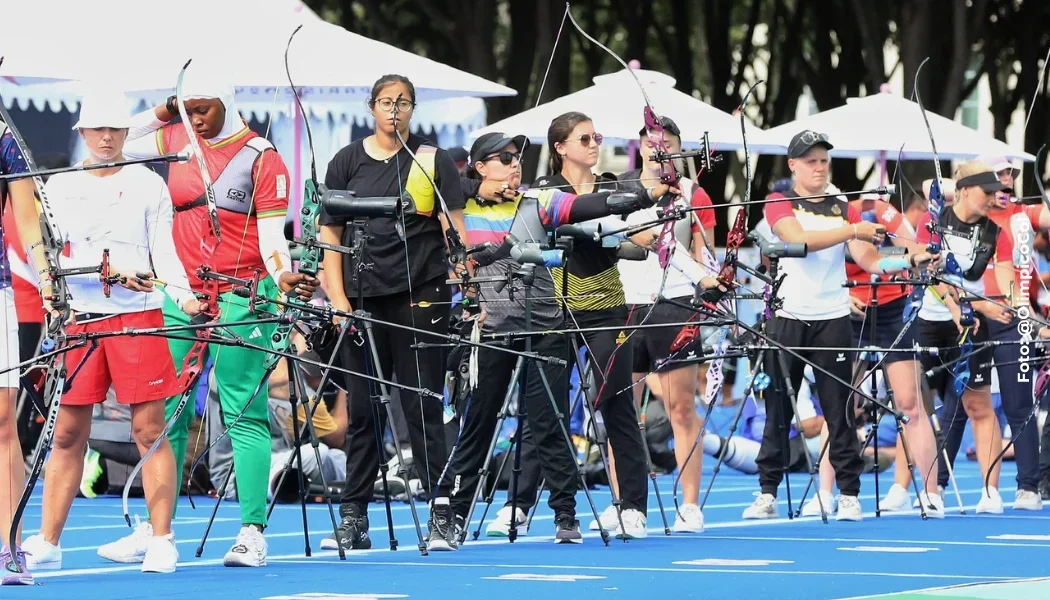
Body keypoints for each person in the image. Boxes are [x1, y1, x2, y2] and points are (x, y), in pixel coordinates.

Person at [110, 71, 318, 568]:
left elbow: (271, 236)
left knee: (241, 408)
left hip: (245, 294)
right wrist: (167, 109)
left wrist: (282, 274)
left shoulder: (262, 157)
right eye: (188, 109)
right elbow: (119, 142)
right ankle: (159, 531)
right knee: (165, 411)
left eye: (203, 108)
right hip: (181, 292)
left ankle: (252, 532)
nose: (196, 119)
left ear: (226, 101)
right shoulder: (178, 133)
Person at [437, 131, 679, 549]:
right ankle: (453, 516)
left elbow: (588, 204)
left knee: (548, 421)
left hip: (545, 326)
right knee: (479, 423)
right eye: (505, 158)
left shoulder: (537, 201)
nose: (516, 164)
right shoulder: (459, 207)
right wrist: (482, 189)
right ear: (480, 167)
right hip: (494, 329)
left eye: (518, 158)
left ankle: (565, 514)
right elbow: (434, 179)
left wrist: (642, 195)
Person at [18, 90, 202, 574]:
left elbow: (165, 251)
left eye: (115, 129)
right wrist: (106, 270)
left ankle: (162, 538)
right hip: (81, 321)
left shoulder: (147, 183)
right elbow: (55, 259)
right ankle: (48, 541)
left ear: (126, 133)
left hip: (139, 317)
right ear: (81, 133)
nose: (105, 137)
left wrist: (182, 295)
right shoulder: (58, 187)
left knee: (148, 429)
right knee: (67, 433)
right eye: (96, 129)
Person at [740, 130, 936, 522]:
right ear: (793, 165)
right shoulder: (779, 203)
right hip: (789, 316)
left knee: (840, 410)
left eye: (824, 160)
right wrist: (852, 229)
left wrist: (912, 258)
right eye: (810, 161)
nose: (819, 167)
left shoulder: (842, 205)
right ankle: (767, 492)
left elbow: (870, 258)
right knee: (780, 406)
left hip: (832, 319)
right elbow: (798, 240)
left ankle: (849, 493)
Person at [318, 74, 465, 553]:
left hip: (420, 294)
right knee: (362, 409)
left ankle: (442, 510)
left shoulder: (431, 159)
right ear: (371, 106)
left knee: (422, 402)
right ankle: (354, 516)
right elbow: (330, 238)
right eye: (386, 101)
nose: (394, 110)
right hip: (362, 300)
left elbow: (454, 231)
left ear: (414, 108)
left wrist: (466, 275)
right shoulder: (347, 160)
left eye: (404, 102)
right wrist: (339, 301)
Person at [800, 193, 944, 518]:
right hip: (846, 312)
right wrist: (845, 291)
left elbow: (912, 249)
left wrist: (906, 256)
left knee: (910, 403)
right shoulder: (822, 217)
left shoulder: (879, 210)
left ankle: (929, 494)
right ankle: (825, 494)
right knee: (839, 406)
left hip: (892, 310)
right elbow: (815, 267)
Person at [612, 117, 718, 534]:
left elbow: (704, 252)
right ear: (640, 148)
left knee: (681, 408)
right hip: (623, 303)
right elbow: (624, 238)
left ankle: (689, 505)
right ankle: (626, 504)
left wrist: (708, 282)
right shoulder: (619, 188)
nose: (660, 152)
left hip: (675, 304)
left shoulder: (693, 193)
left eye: (668, 145)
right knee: (621, 407)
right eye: (653, 144)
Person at [933, 156, 1049, 512]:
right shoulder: (947, 217)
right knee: (957, 403)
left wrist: (1025, 313)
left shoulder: (1018, 214)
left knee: (1018, 401)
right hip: (970, 316)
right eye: (997, 178)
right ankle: (935, 484)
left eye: (1010, 177)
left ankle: (1028, 487)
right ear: (969, 188)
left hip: (1009, 315)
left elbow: (1009, 278)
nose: (1005, 185)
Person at [915, 160, 1015, 514]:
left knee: (979, 407)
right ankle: (917, 488)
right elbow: (932, 274)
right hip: (931, 320)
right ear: (964, 190)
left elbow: (1004, 282)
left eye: (996, 192)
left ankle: (990, 491)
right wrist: (963, 307)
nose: (993, 198)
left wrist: (1008, 306)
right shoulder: (934, 219)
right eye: (986, 192)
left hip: (971, 323)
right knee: (918, 409)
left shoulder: (994, 231)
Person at [1, 109, 42, 585]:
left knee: (1, 421)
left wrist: (49, 281)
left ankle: (11, 548)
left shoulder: (4, 139)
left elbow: (27, 222)